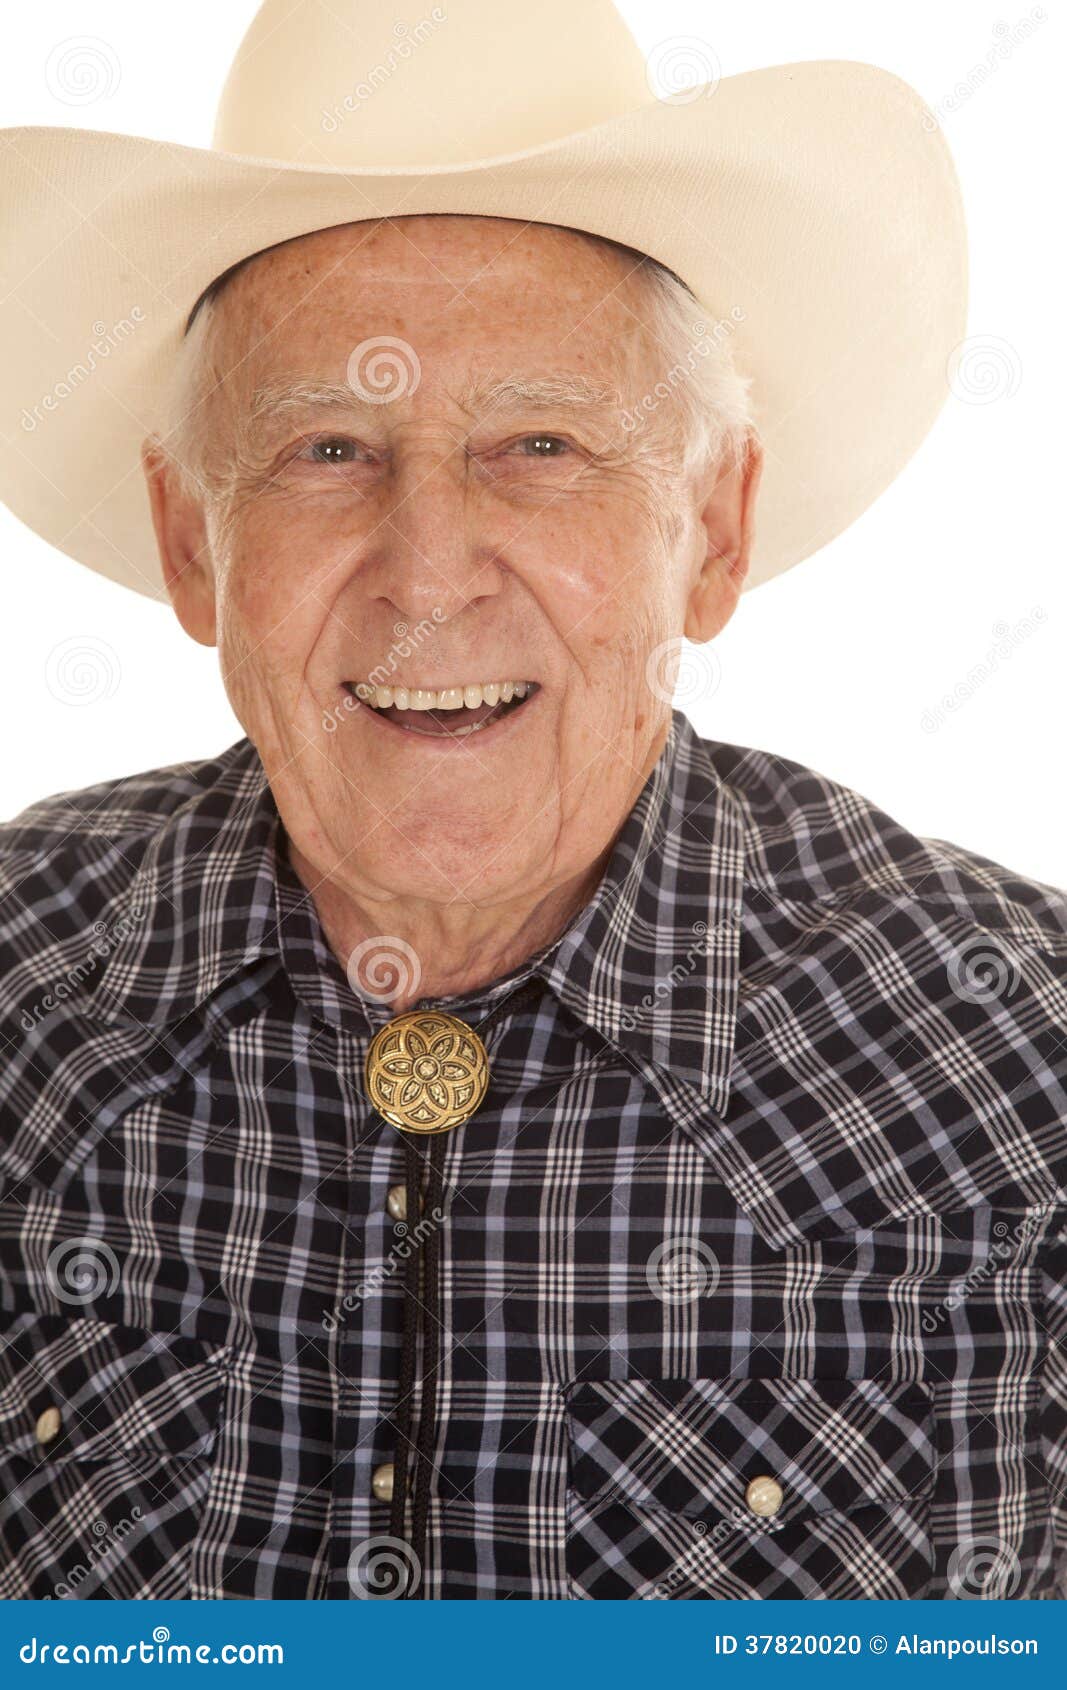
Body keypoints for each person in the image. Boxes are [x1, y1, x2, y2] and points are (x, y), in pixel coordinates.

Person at [0, 0, 1062, 1600]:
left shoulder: (1024, 1057)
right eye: (328, 449)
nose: (429, 576)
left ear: (713, 528)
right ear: (190, 541)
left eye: (541, 444)